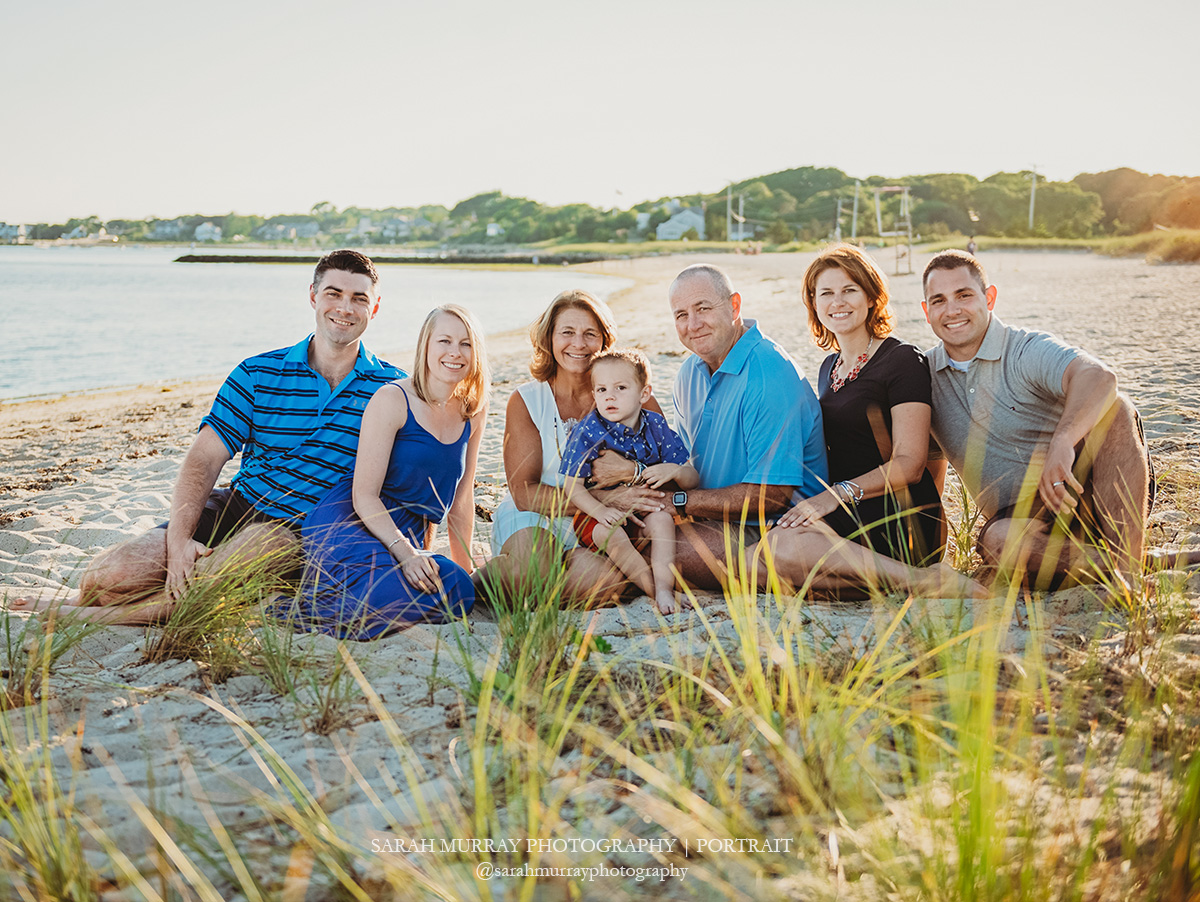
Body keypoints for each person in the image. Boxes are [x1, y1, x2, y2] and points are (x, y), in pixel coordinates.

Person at [14, 249, 404, 624]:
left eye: (359, 298)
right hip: (239, 504)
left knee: (221, 574)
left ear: (374, 308)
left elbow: (420, 474)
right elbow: (204, 458)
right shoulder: (257, 372)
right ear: (313, 296)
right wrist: (180, 543)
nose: (345, 308)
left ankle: (93, 616)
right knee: (112, 575)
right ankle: (83, 601)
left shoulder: (391, 389)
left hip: (306, 530)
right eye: (334, 293)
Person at [921, 249, 1152, 588]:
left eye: (964, 295)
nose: (952, 310)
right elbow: (929, 468)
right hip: (1021, 522)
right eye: (938, 300)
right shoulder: (925, 375)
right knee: (998, 541)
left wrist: (1063, 441)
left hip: (1091, 495)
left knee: (1115, 407)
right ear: (926, 311)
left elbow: (1098, 377)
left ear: (989, 298)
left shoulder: (1024, 348)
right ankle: (1128, 561)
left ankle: (1128, 574)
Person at [591, 263, 827, 590]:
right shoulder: (689, 373)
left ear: (734, 306)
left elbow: (771, 497)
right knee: (627, 534)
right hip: (714, 513)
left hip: (778, 526)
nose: (693, 324)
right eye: (681, 315)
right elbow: (686, 466)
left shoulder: (769, 374)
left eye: (703, 309)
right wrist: (631, 482)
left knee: (663, 551)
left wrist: (675, 503)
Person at [284, 305, 488, 639]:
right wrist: (406, 554)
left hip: (411, 533)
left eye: (465, 344)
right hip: (353, 522)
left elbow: (462, 500)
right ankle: (294, 607)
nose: (455, 352)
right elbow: (364, 495)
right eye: (445, 341)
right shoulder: (393, 399)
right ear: (426, 345)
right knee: (384, 594)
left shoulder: (473, 410)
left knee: (460, 590)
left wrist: (463, 568)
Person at [476, 290, 666, 604]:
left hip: (599, 525)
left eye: (590, 334)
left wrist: (633, 472)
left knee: (606, 583)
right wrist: (605, 499)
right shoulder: (527, 400)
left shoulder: (630, 393)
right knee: (533, 568)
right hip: (537, 514)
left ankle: (535, 587)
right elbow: (525, 493)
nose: (578, 344)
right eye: (567, 332)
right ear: (549, 338)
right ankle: (467, 585)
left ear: (604, 341)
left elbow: (666, 463)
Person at [774, 244, 944, 564]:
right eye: (826, 293)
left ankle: (921, 580)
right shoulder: (828, 368)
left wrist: (835, 496)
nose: (837, 302)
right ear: (814, 303)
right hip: (847, 507)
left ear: (871, 297)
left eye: (849, 290)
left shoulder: (902, 360)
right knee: (769, 552)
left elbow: (911, 464)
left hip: (900, 513)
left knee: (782, 547)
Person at [559, 349, 698, 614]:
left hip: (643, 511)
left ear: (644, 394)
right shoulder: (587, 431)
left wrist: (674, 471)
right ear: (594, 394)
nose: (609, 396)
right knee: (610, 534)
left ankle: (665, 588)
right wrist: (601, 511)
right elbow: (572, 487)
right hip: (597, 515)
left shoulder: (656, 426)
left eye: (620, 388)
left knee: (662, 520)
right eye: (601, 390)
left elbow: (692, 479)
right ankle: (655, 592)